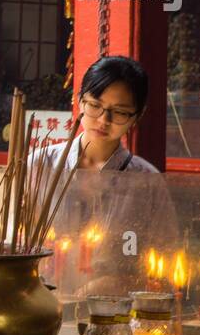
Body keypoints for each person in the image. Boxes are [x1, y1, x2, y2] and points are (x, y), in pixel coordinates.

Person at [31, 56, 177, 298]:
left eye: (119, 112)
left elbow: (165, 256)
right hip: (42, 304)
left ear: (137, 116)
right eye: (95, 105)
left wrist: (121, 282)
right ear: (79, 101)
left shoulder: (146, 181)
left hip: (115, 312)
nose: (103, 120)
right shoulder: (40, 165)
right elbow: (14, 242)